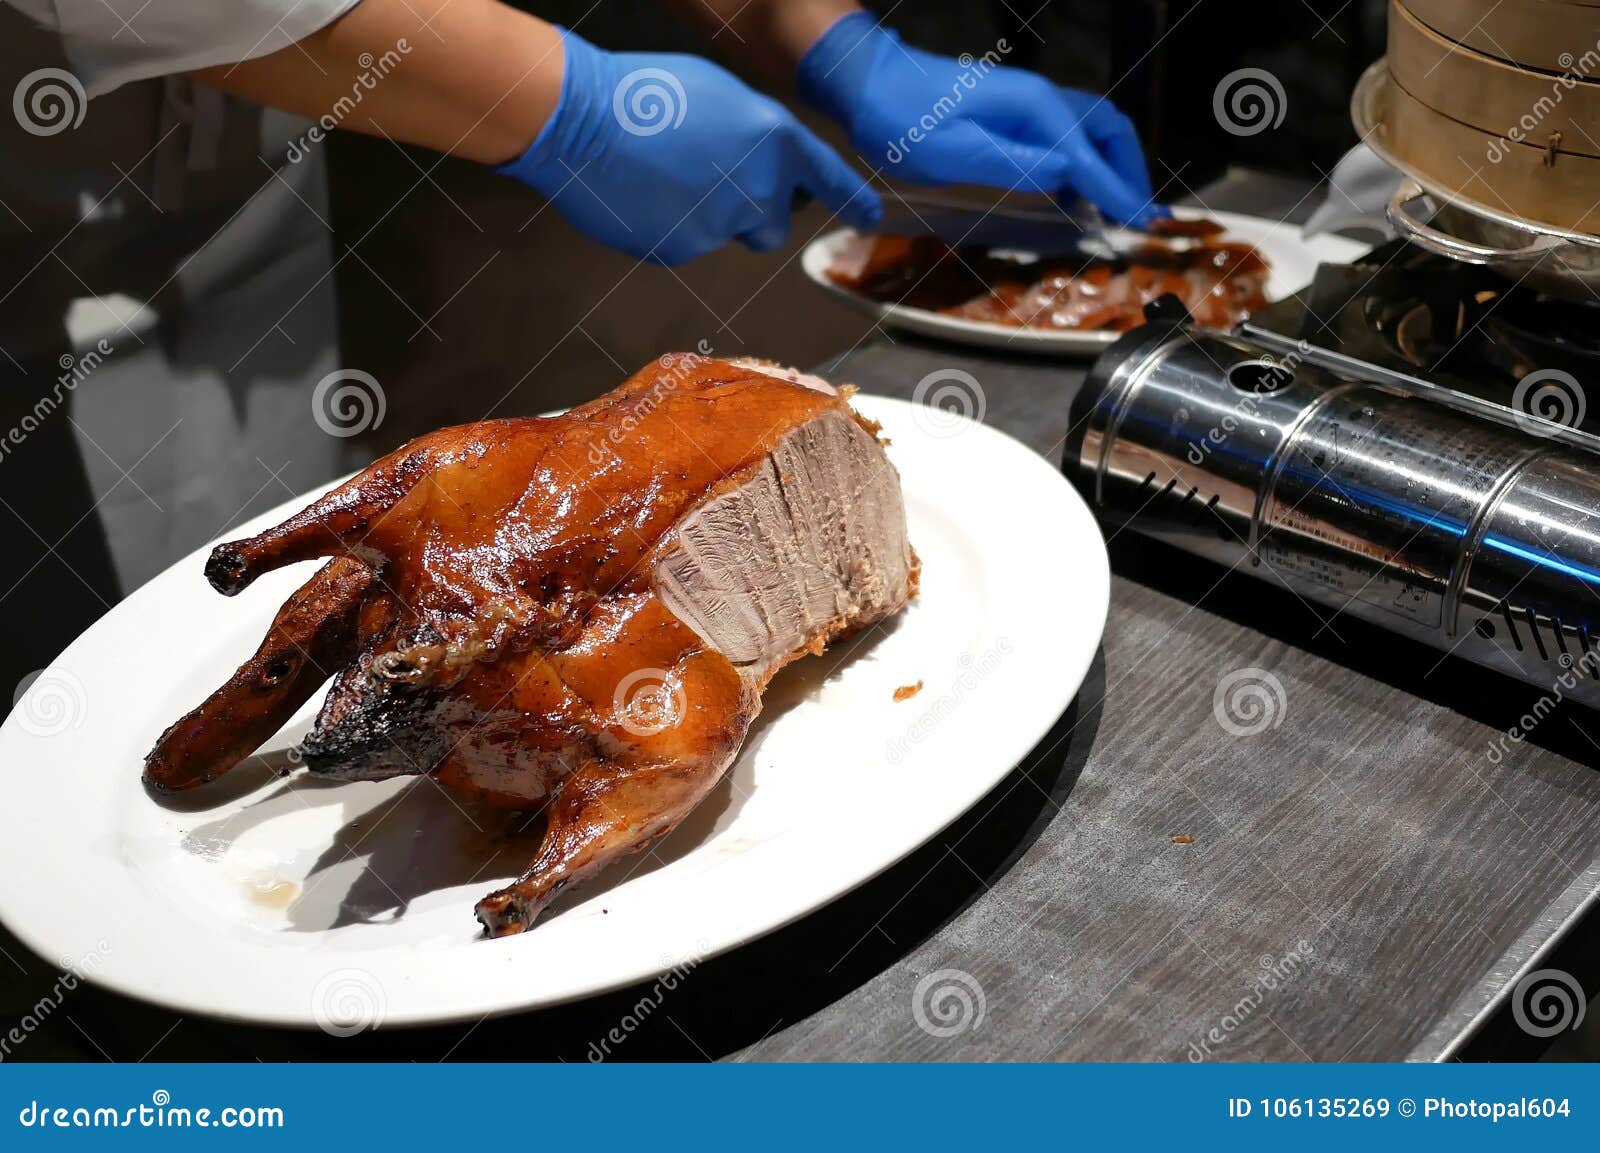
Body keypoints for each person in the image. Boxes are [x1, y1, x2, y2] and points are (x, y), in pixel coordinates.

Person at [0, 0, 1155, 696]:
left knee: (286, 597)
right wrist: (565, 104)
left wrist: (820, 36)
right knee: (81, 686)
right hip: (32, 181)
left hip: (248, 177)